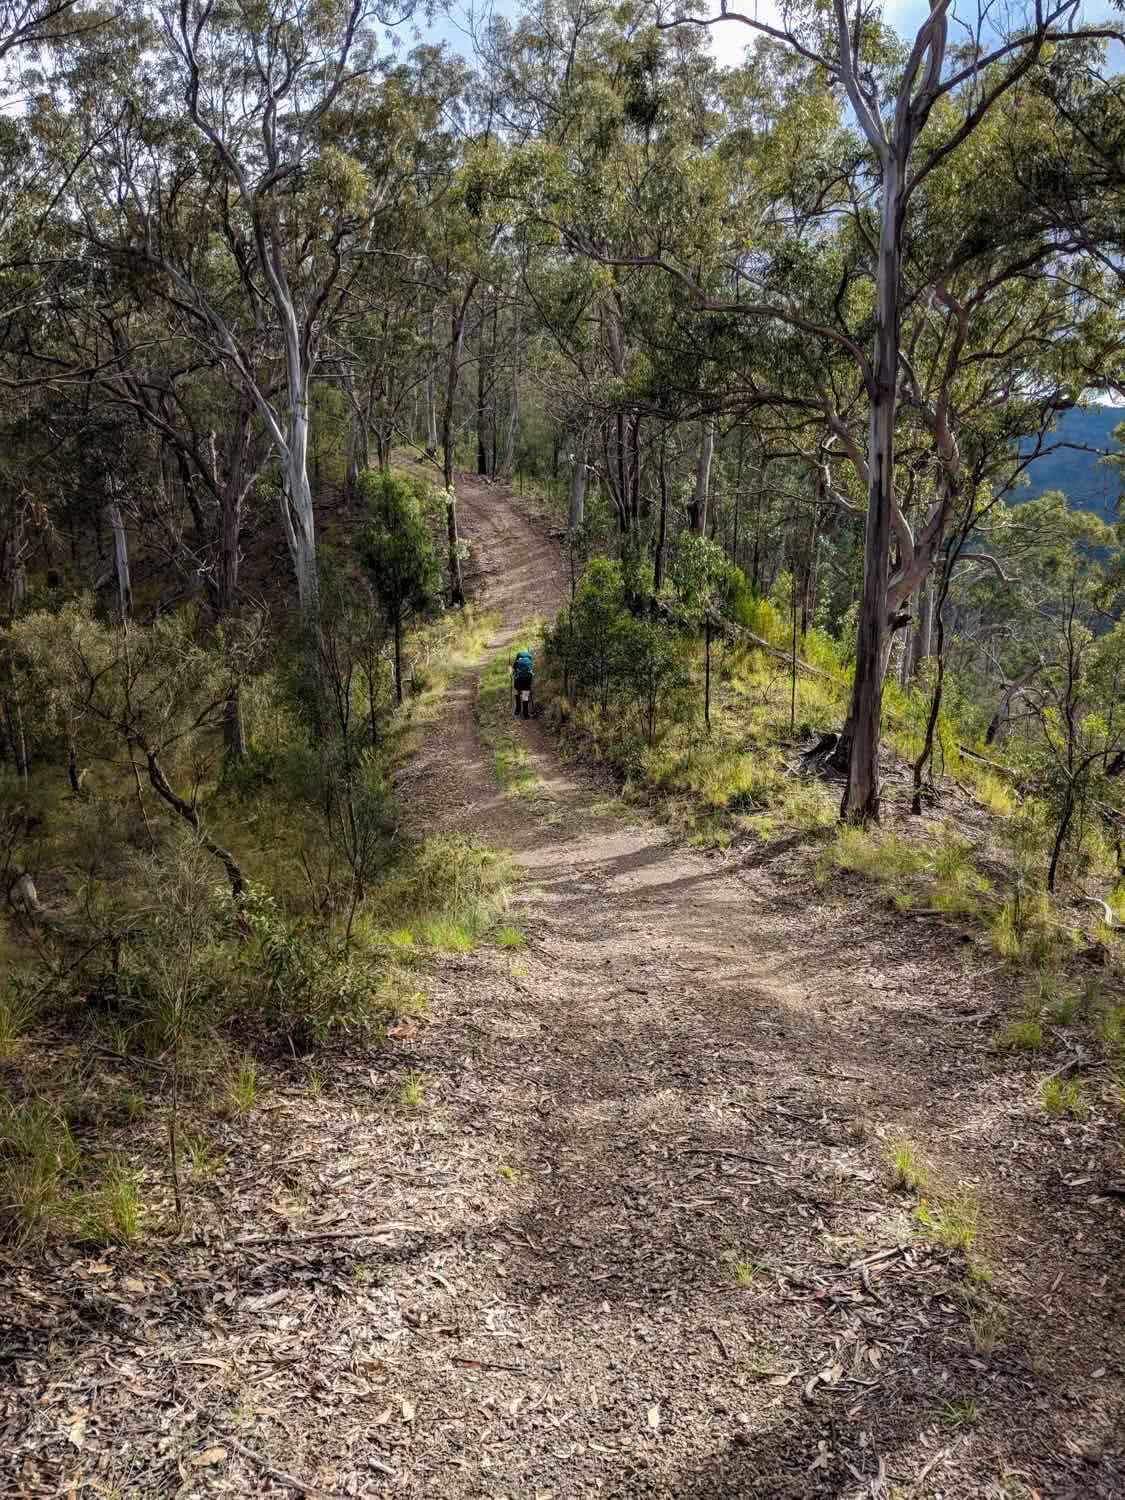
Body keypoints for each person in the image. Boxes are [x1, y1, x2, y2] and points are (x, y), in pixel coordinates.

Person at [511, 648, 534, 720]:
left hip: (518, 681)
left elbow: (512, 672)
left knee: (516, 692)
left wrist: (510, 670)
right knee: (525, 696)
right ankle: (526, 714)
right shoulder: (529, 661)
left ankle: (517, 710)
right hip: (527, 681)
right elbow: (531, 672)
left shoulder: (517, 662)